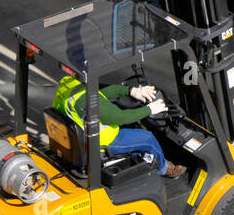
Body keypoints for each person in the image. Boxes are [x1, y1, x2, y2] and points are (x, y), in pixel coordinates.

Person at [52, 75, 185, 178]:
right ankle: (165, 168)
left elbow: (101, 92)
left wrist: (131, 91)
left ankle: (140, 154)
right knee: (147, 138)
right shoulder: (88, 101)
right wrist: (149, 110)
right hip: (103, 142)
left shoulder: (68, 84)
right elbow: (120, 118)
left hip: (79, 135)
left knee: (117, 108)